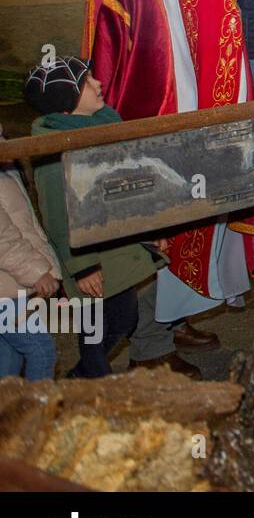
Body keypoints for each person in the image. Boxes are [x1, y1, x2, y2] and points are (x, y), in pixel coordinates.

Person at [83, 0, 254, 339]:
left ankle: (178, 319)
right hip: (149, 102)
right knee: (160, 215)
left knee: (203, 204)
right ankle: (151, 342)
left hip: (198, 91)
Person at [24, 58, 196, 378]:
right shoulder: (52, 145)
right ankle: (92, 383)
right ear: (67, 104)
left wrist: (149, 228)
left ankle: (84, 378)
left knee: (124, 317)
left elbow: (131, 185)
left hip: (119, 243)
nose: (98, 83)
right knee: (97, 328)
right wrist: (82, 265)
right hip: (90, 253)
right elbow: (57, 214)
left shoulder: (106, 123)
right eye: (87, 82)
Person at [0, 126, 61, 381]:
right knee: (41, 351)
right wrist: (35, 271)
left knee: (9, 358)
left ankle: (9, 417)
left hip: (9, 284)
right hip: (7, 287)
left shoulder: (6, 168)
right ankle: (38, 419)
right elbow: (2, 236)